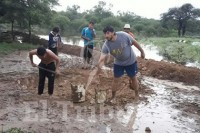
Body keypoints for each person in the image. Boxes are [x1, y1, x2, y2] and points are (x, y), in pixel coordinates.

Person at [95, 25, 145, 103]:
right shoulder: (106, 45)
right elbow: (101, 59)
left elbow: (135, 42)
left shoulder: (124, 35)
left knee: (133, 78)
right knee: (116, 80)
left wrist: (142, 52)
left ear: (112, 33)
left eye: (107, 33)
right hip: (118, 63)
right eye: (105, 33)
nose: (106, 35)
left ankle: (136, 95)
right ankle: (113, 97)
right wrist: (98, 70)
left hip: (130, 61)